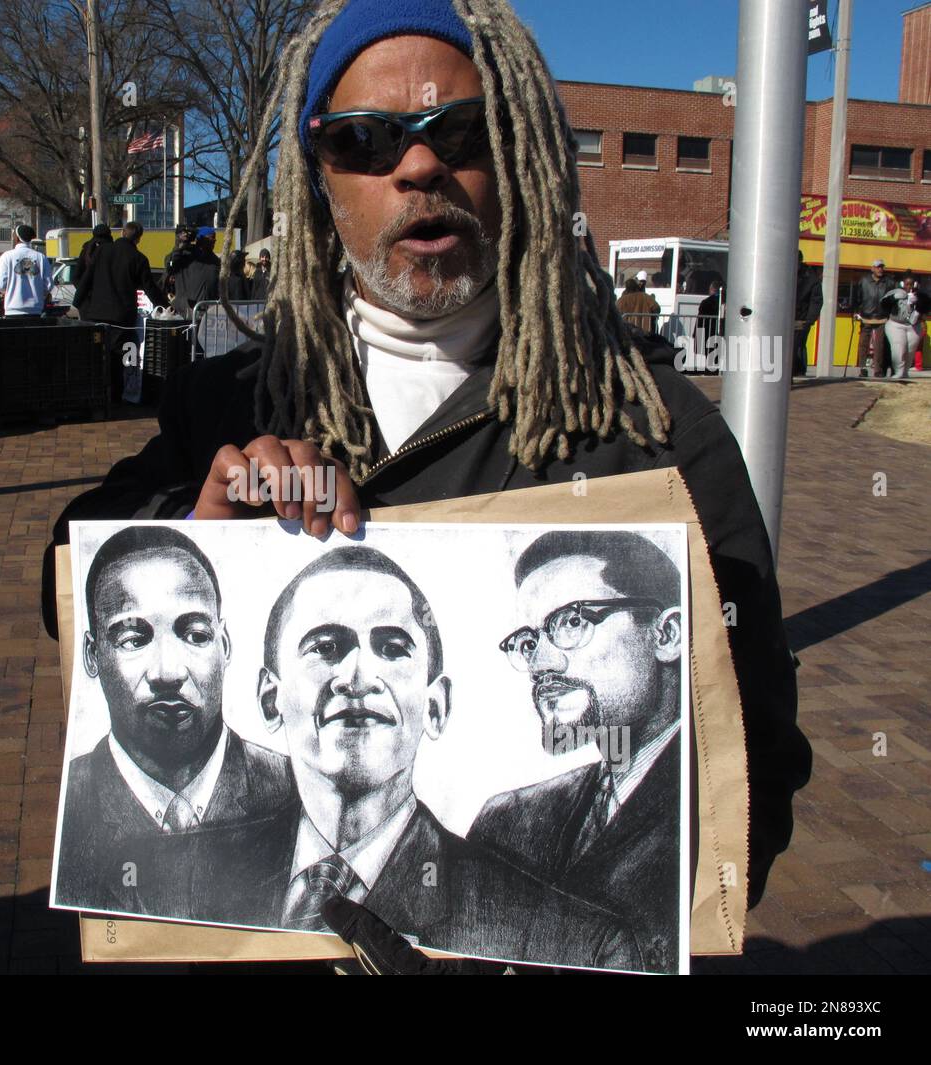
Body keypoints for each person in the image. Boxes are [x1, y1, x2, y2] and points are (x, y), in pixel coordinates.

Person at [45, 0, 809, 968]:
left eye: (462, 132)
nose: (418, 167)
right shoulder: (230, 401)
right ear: (319, 181)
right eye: (362, 141)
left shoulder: (650, 432)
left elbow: (756, 767)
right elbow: (61, 576)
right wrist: (185, 529)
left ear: (522, 154)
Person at [249, 546, 639, 968]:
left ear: (435, 707)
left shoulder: (575, 942)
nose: (357, 677)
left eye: (392, 648)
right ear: (272, 701)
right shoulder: (184, 877)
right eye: (326, 647)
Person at [469, 531, 683, 973]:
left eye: (571, 622)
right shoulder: (508, 822)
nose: (541, 663)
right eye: (529, 641)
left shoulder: (712, 805)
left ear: (666, 635)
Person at [54, 526, 293, 917]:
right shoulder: (71, 810)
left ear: (225, 645)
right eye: (133, 639)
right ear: (93, 655)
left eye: (196, 635)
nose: (168, 672)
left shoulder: (298, 793)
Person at [72, 221, 163, 402]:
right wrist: (165, 305)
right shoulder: (139, 258)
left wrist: (78, 301)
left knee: (100, 354)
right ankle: (118, 394)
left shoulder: (102, 251)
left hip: (97, 312)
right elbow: (149, 288)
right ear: (138, 239)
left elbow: (86, 278)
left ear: (122, 233)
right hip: (123, 315)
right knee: (124, 356)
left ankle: (100, 392)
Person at [166, 225, 220, 319]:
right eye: (210, 240)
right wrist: (179, 245)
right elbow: (170, 265)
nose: (213, 243)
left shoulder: (215, 261)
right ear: (200, 239)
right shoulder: (186, 255)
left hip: (208, 312)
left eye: (214, 240)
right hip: (185, 310)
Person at [0, 223, 49, 317]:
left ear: (17, 238)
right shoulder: (41, 257)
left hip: (13, 310)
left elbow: (1, 285)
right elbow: (48, 285)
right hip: (35, 310)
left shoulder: (6, 256)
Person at [881, 273, 925, 380]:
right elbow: (883, 303)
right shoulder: (894, 292)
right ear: (902, 284)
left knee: (910, 350)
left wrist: (918, 304)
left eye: (911, 284)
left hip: (913, 326)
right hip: (896, 324)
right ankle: (898, 371)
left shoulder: (920, 295)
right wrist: (894, 298)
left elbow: (926, 307)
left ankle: (905, 371)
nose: (908, 287)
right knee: (899, 348)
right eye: (906, 284)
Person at [855, 259, 889, 377]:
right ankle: (862, 368)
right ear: (872, 268)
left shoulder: (887, 282)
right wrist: (856, 311)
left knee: (879, 345)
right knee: (863, 344)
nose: (880, 269)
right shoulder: (864, 281)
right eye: (878, 267)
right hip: (866, 316)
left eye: (882, 267)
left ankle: (878, 370)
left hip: (881, 317)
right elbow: (857, 297)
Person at [792, 251, 822, 377]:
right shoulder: (783, 272)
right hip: (783, 318)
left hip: (801, 318)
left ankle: (796, 370)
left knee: (797, 344)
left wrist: (809, 320)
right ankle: (792, 370)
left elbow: (816, 300)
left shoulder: (810, 277)